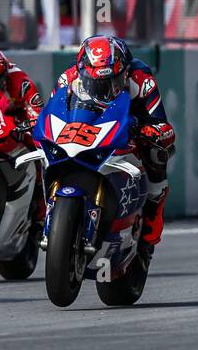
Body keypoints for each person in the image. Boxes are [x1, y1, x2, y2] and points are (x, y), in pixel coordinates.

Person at [53, 35, 176, 249]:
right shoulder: (68, 79)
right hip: (84, 129)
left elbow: (161, 124)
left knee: (158, 151)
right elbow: (54, 112)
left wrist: (149, 129)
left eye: (112, 82)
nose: (104, 89)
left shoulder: (141, 79)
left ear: (125, 72)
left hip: (128, 128)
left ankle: (153, 211)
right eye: (96, 83)